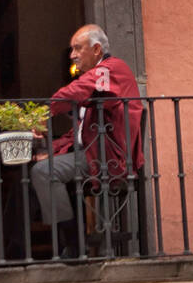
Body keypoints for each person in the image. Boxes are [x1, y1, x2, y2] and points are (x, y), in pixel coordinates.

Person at [31, 24, 143, 255]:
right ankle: (22, 245)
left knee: (44, 172)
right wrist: (53, 150)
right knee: (34, 168)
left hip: (108, 157)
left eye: (77, 48)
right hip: (94, 152)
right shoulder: (99, 80)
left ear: (96, 49)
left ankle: (73, 244)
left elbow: (75, 91)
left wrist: (45, 112)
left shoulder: (111, 69)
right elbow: (80, 134)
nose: (72, 55)